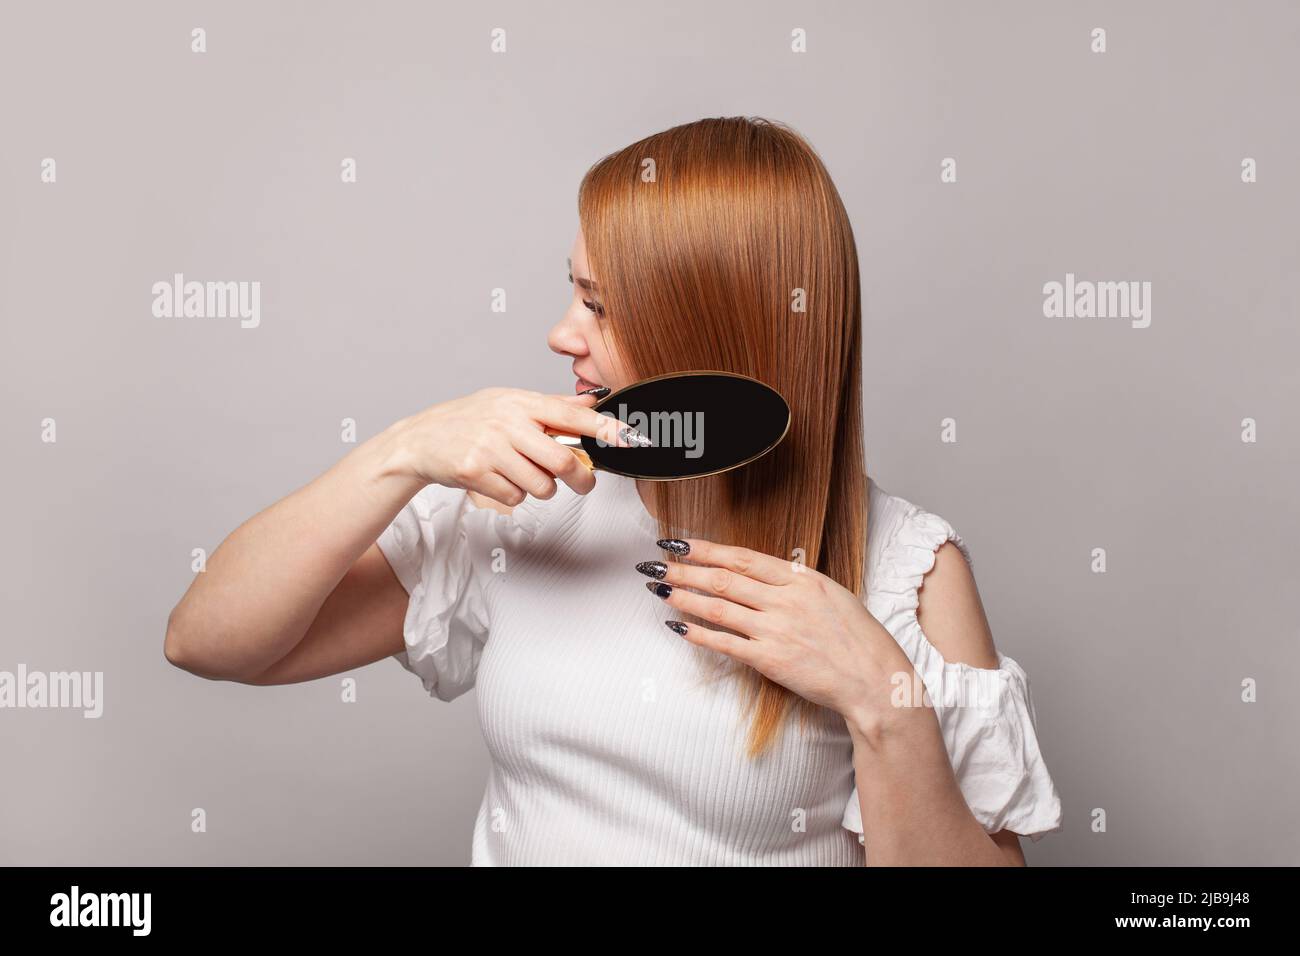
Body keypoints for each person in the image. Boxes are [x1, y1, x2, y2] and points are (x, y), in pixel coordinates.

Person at [164, 116, 1062, 865]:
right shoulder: (530, 501)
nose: (562, 335)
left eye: (600, 305)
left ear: (713, 323)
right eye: (573, 293)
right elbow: (210, 642)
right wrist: (399, 455)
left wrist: (882, 701)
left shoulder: (910, 568)